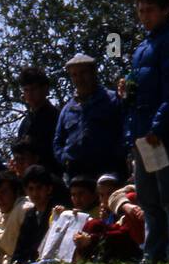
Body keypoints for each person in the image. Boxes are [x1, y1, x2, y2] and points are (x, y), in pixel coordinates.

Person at [121, 0, 169, 263]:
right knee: (148, 197)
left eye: (149, 10)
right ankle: (153, 254)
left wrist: (158, 127)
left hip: (160, 132)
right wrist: (126, 87)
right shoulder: (142, 47)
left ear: (165, 10)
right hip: (141, 131)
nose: (144, 16)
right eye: (140, 11)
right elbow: (141, 85)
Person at [54, 53, 126, 181]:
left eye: (83, 73)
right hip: (77, 175)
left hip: (108, 171)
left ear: (93, 73)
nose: (79, 79)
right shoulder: (67, 109)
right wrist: (65, 159)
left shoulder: (112, 100)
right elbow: (58, 141)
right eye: (74, 75)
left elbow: (125, 130)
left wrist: (116, 155)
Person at [15, 66, 60, 172]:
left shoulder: (57, 117)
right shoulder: (25, 123)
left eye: (34, 89)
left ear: (45, 89)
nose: (30, 94)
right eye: (26, 90)